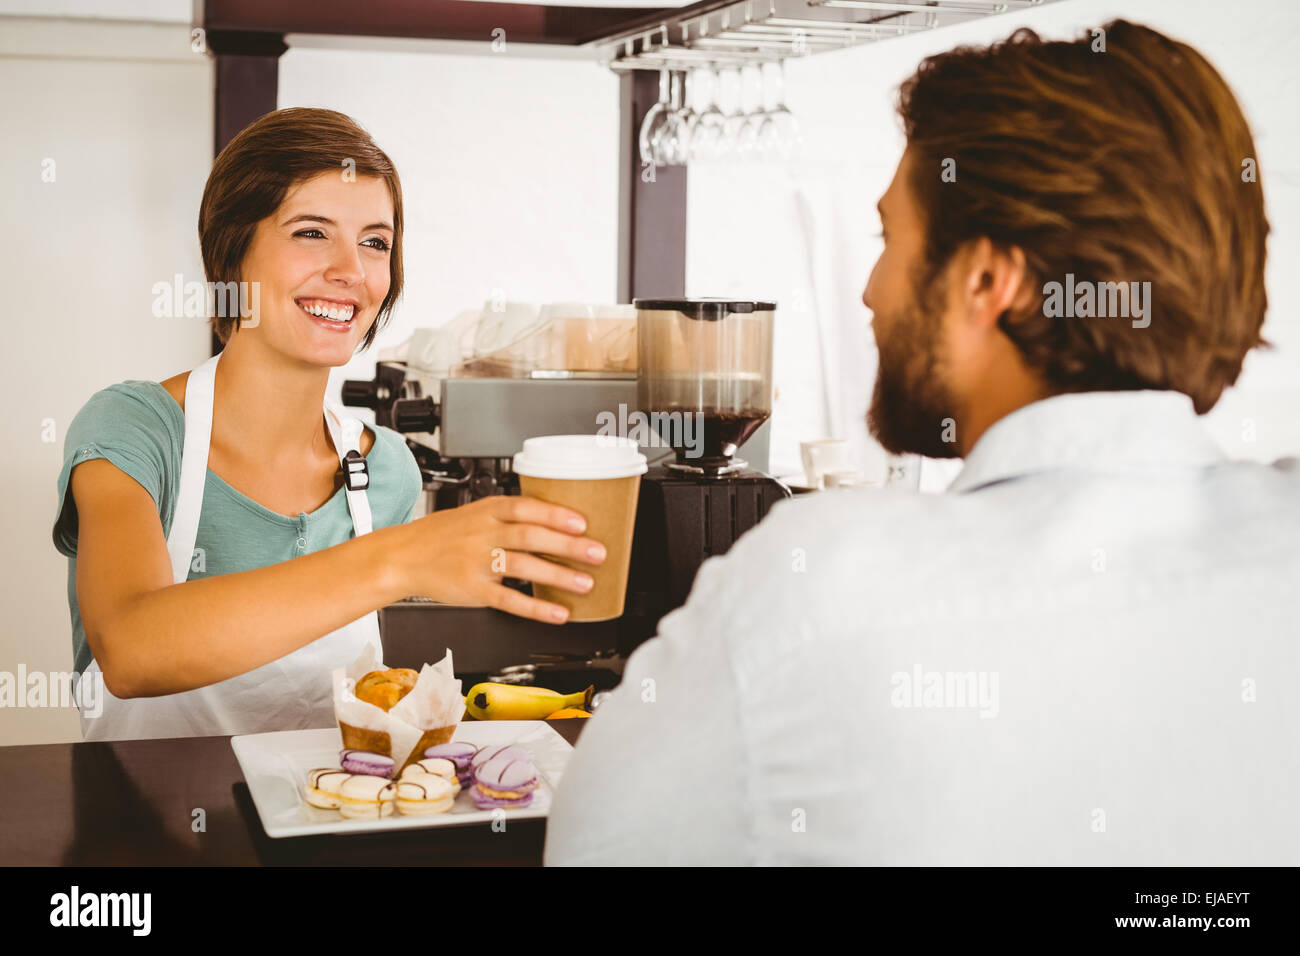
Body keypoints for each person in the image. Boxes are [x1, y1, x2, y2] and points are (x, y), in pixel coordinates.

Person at [545, 20, 1299, 865]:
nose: (870, 291)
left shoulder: (817, 585)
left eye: (889, 241)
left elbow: (594, 849)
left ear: (986, 281)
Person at [53, 108, 607, 741]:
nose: (353, 270)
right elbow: (131, 648)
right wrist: (398, 560)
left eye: (376, 242)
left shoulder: (386, 469)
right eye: (312, 232)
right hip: (146, 836)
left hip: (326, 822)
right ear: (233, 253)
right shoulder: (136, 430)